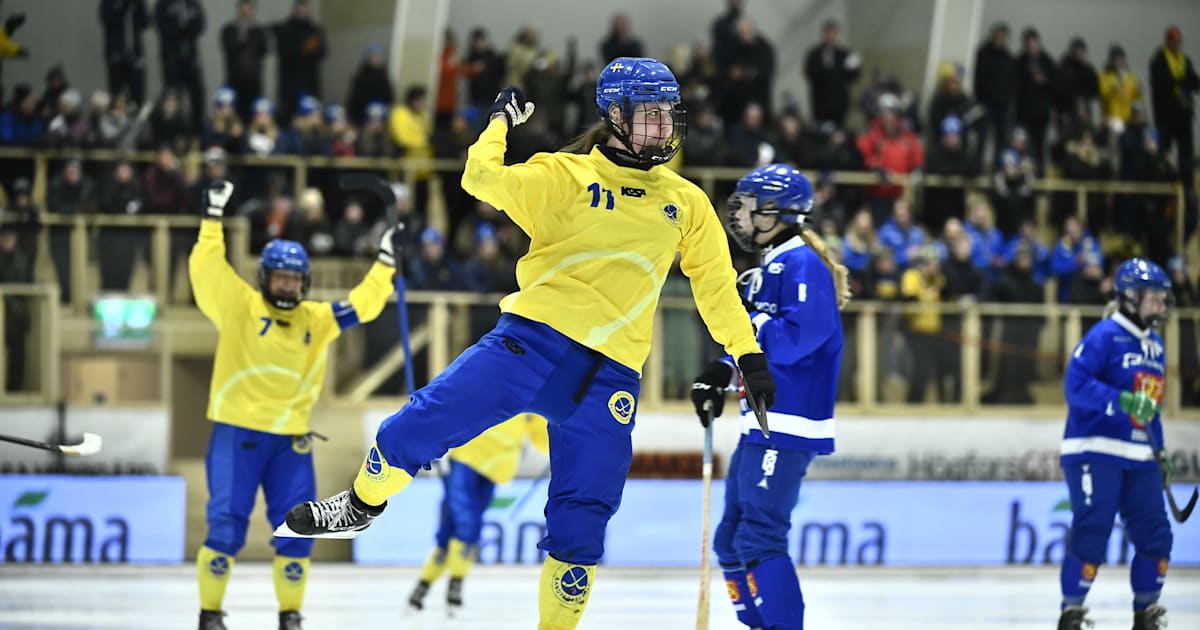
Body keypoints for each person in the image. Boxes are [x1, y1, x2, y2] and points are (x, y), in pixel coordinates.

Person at [279, 57, 776, 630]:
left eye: (669, 115)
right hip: (530, 344)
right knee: (421, 421)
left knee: (583, 522)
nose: (664, 127)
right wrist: (498, 126)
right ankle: (361, 506)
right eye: (651, 116)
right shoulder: (564, 176)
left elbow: (715, 289)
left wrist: (749, 355)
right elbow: (480, 179)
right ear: (615, 115)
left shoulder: (685, 202)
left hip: (611, 378)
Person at [189, 181, 398, 630]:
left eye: (294, 280)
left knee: (299, 531)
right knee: (225, 529)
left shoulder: (317, 319)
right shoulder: (239, 306)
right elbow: (207, 269)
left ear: (305, 283)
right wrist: (211, 219)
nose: (287, 286)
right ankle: (209, 615)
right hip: (236, 432)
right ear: (263, 278)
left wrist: (385, 262)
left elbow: (364, 305)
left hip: (291, 441)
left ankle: (290, 617)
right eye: (280, 278)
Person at [691, 164, 849, 630]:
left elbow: (802, 336)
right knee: (731, 539)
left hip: (789, 420)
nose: (739, 215)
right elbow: (755, 342)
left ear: (779, 213)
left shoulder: (803, 264)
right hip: (760, 422)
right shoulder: (772, 265)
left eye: (749, 207)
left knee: (759, 537)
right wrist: (720, 371)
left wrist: (749, 323)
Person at [1057, 258, 1176, 630]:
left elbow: (1151, 407)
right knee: (1093, 532)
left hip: (1140, 455)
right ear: (1129, 297)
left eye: (1162, 297)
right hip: (1095, 448)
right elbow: (1074, 386)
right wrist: (1120, 401)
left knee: (1157, 534)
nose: (1160, 304)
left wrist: (1160, 450)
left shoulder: (1156, 346)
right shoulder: (1103, 336)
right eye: (1153, 297)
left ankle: (1146, 612)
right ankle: (1072, 613)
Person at [407, 413, 549, 614]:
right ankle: (454, 581)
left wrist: (565, 442)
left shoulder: (536, 392)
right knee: (467, 521)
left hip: (496, 468)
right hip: (466, 457)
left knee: (453, 524)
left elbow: (541, 433)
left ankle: (425, 585)